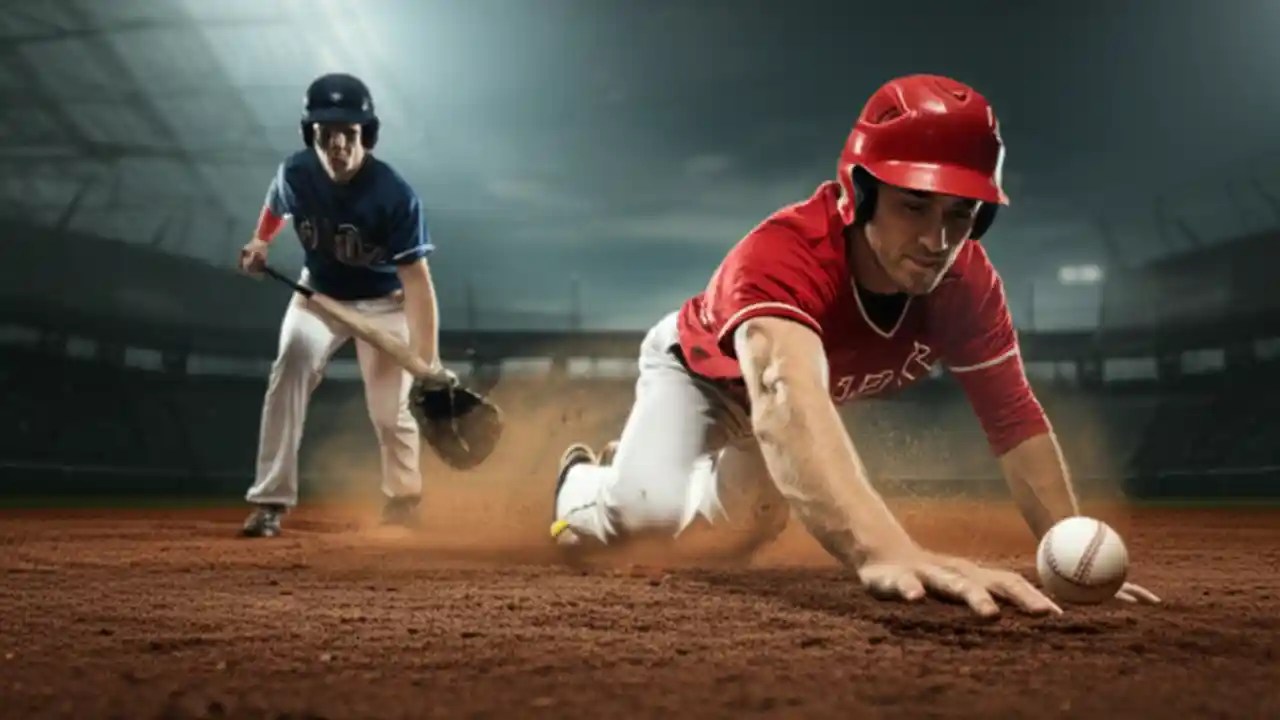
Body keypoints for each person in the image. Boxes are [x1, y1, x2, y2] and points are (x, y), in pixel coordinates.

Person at [549, 74, 1160, 617]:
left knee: (744, 529)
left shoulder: (966, 285)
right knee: (644, 519)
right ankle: (584, 480)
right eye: (913, 205)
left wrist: (1067, 549)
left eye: (960, 214)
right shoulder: (786, 254)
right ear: (860, 191)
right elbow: (781, 391)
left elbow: (1013, 417)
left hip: (789, 408)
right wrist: (886, 550)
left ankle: (665, 467)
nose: (936, 239)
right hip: (703, 380)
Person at [236, 72, 454, 538]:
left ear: (367, 135)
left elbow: (417, 283)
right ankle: (271, 501)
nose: (337, 145)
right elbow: (276, 206)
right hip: (320, 296)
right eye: (325, 133)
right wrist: (261, 240)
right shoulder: (295, 172)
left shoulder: (395, 195)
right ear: (310, 134)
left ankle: (402, 499)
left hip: (385, 304)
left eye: (348, 134)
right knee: (290, 366)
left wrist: (429, 362)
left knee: (389, 410)